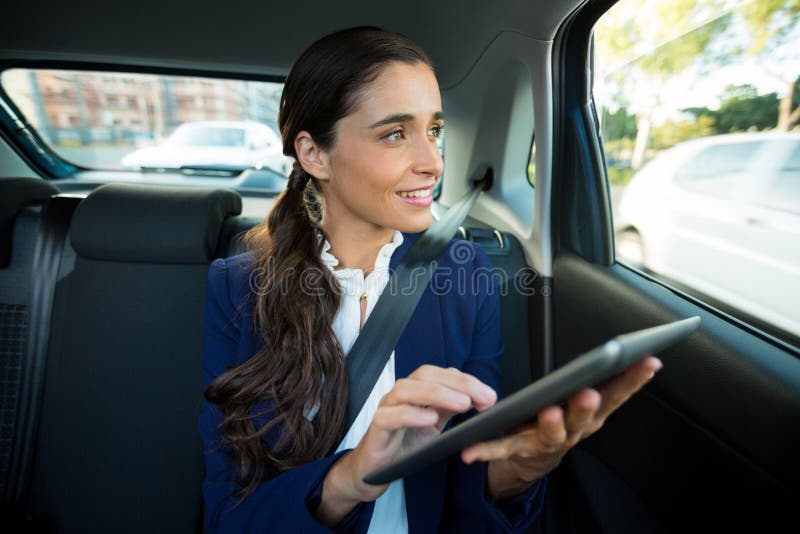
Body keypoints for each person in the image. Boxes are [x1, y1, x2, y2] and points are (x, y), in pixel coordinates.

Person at [197, 26, 662, 533]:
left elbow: (463, 474)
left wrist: (514, 472)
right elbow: (228, 514)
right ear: (314, 154)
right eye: (395, 134)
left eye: (434, 130)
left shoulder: (464, 275)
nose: (433, 163)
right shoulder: (239, 287)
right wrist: (349, 478)